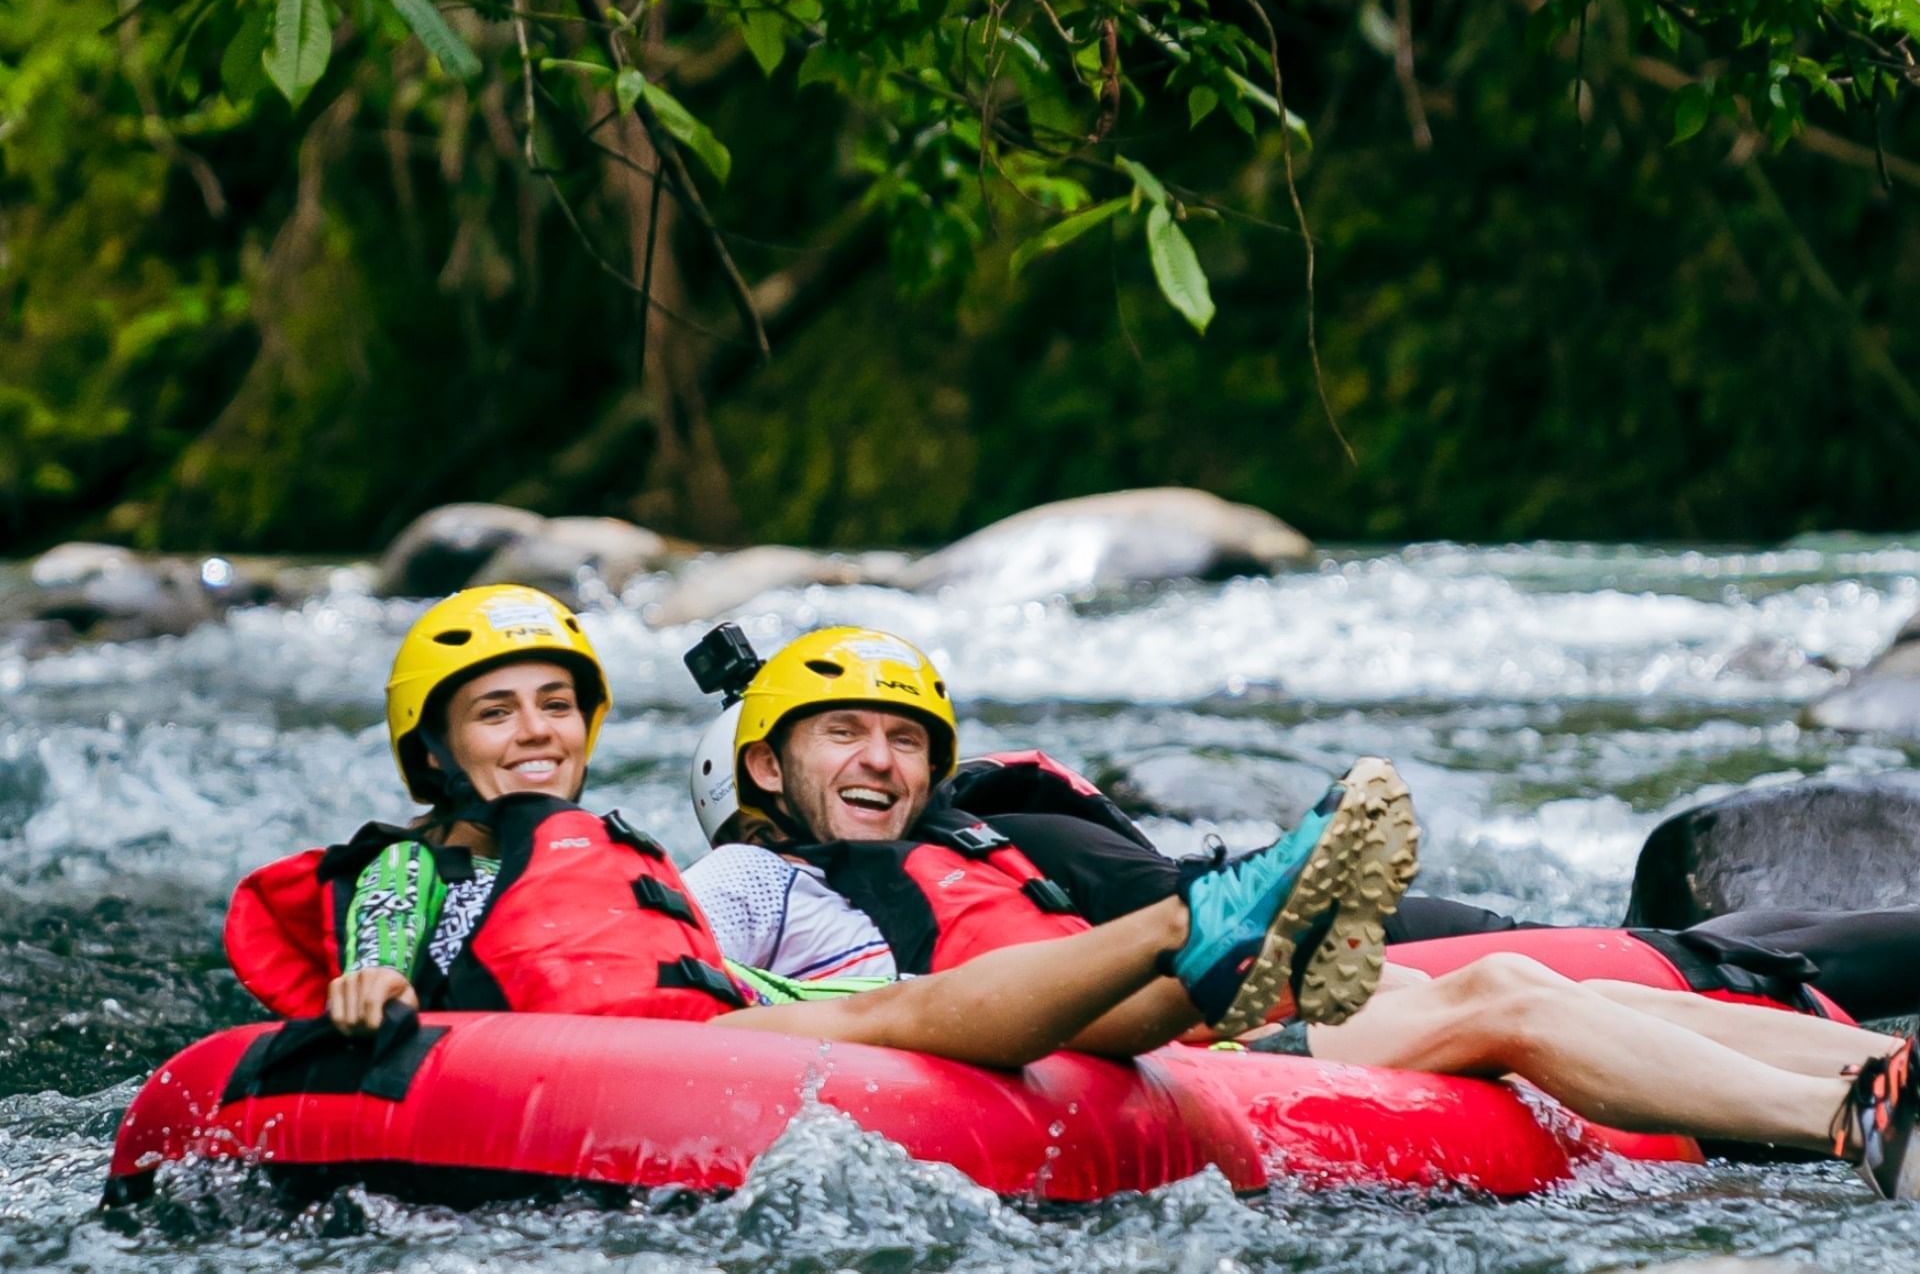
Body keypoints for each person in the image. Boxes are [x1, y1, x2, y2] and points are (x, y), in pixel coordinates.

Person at [679, 624, 1920, 1199]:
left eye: (905, 740)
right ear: (761, 769)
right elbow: (687, 1005)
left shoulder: (975, 847)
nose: (881, 760)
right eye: (842, 733)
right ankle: (1846, 1116)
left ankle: (1890, 1068)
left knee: (1570, 991)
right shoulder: (751, 877)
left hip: (1172, 1019)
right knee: (1501, 999)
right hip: (1142, 1050)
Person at [224, 586, 1407, 1094]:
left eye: (554, 705)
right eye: (495, 711)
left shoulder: (606, 847)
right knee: (898, 1012)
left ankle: (1225, 960)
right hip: (599, 1049)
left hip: (718, 1016)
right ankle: (1192, 918)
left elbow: (695, 954)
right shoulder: (417, 858)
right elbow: (381, 934)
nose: (535, 732)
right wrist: (369, 983)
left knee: (946, 1004)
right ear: (432, 752)